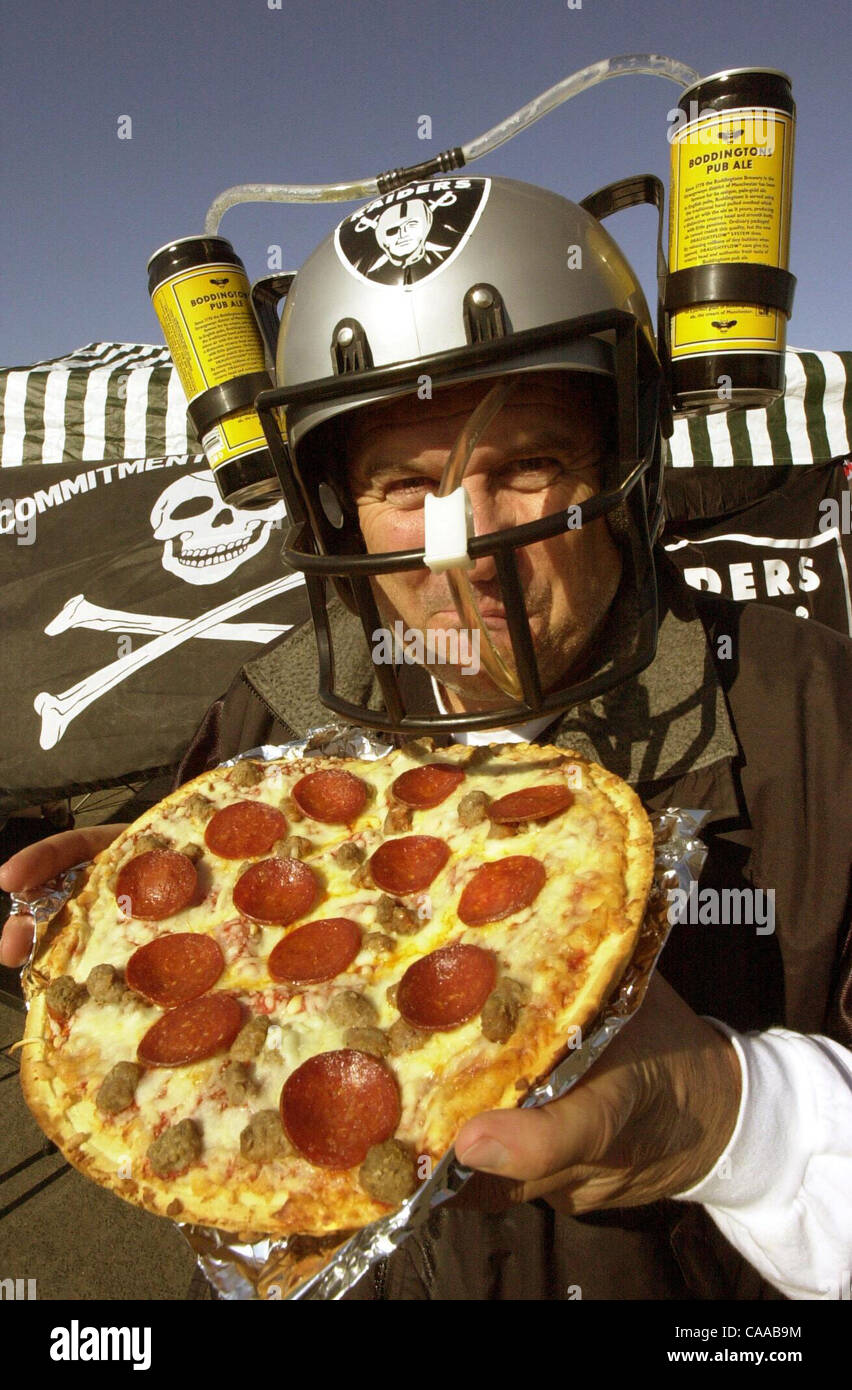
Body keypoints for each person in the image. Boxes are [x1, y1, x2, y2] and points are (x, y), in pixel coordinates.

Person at [2, 175, 851, 1300]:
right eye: (404, 484)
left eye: (526, 464)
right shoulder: (270, 712)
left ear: (620, 463)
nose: (464, 547)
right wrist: (188, 904)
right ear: (333, 504)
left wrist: (733, 1122)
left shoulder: (811, 712)